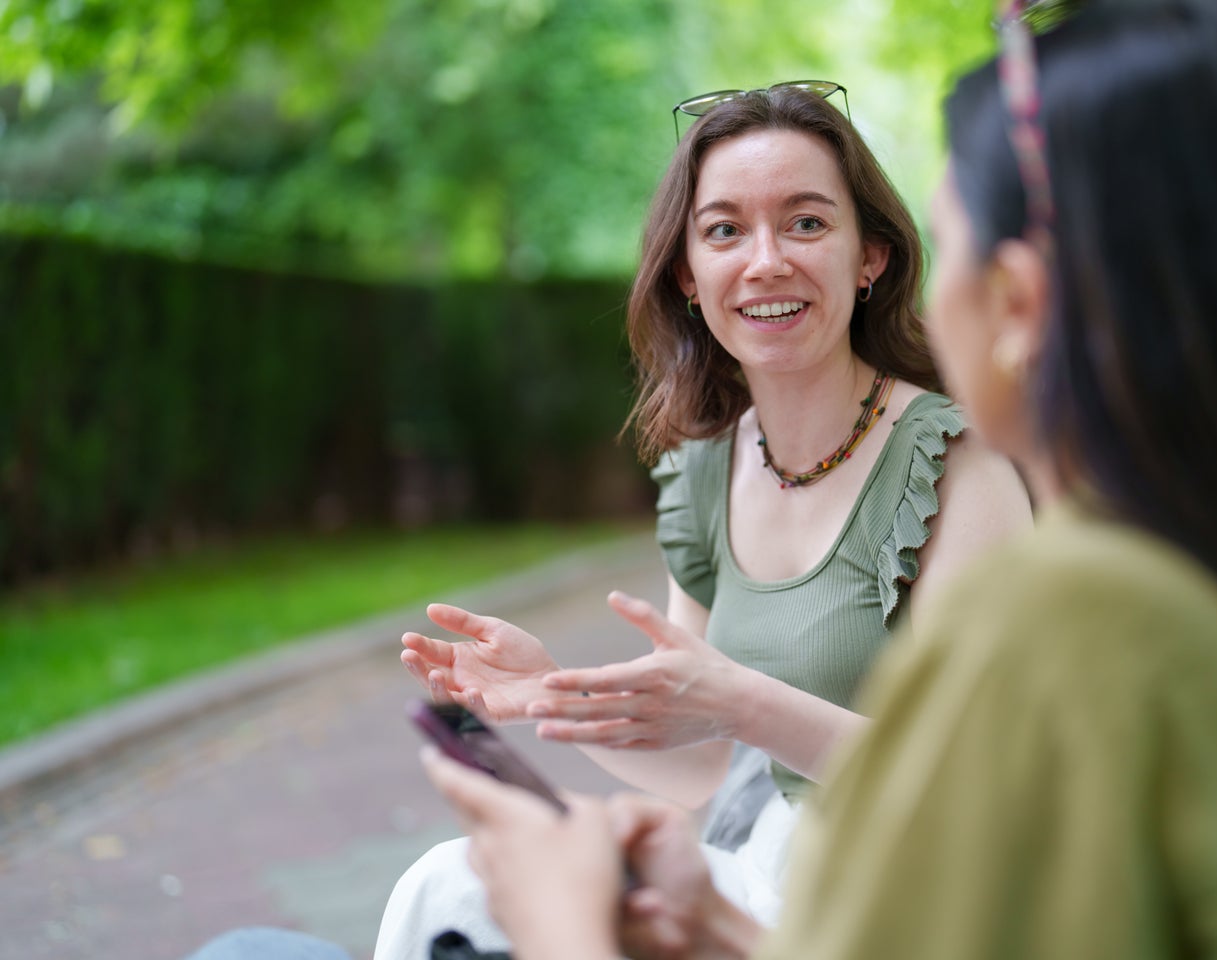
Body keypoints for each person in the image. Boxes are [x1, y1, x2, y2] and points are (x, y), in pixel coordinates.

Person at [418, 1, 1217, 958]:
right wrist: (704, 900)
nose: (766, 262)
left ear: (1016, 300)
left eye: (945, 243)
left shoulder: (1076, 609)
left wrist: (565, 917)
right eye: (724, 229)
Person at [375, 81, 1032, 957]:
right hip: (756, 873)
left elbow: (978, 785)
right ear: (688, 276)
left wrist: (743, 703)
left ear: (869, 257)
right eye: (724, 231)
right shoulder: (706, 471)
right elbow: (710, 771)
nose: (765, 262)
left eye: (806, 223)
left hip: (907, 908)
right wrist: (553, 695)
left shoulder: (960, 466)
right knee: (452, 882)